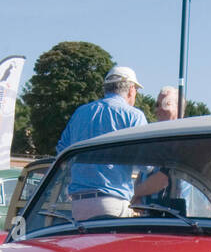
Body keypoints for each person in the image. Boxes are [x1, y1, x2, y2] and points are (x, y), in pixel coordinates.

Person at [56, 65, 165, 221]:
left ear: (106, 89)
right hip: (113, 200)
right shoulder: (134, 116)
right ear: (131, 90)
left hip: (78, 204)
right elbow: (147, 164)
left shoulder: (80, 112)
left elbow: (62, 153)